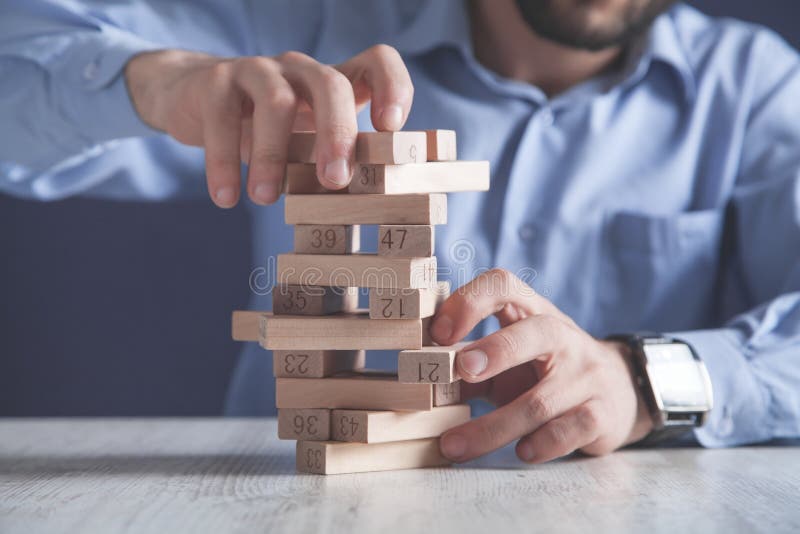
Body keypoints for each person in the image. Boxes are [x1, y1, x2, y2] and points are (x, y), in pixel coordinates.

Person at [2, 0, 798, 464]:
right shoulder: (304, 24)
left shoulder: (755, 87)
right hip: (289, 497)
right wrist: (151, 81)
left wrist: (648, 378)